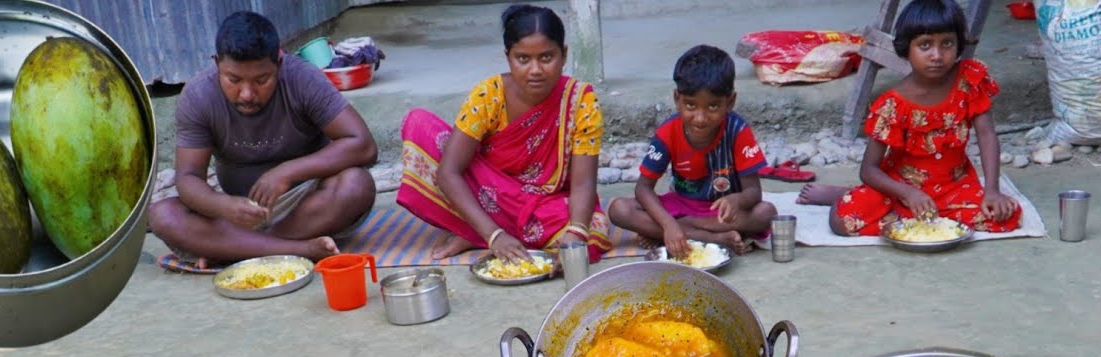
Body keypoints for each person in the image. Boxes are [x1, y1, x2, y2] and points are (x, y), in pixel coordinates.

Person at [148, 11, 377, 267]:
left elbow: (363, 145)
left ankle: (235, 249)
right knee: (163, 214)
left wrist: (286, 172)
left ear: (279, 63)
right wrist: (224, 206)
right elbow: (188, 178)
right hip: (236, 212)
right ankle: (299, 250)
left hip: (305, 205)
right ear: (217, 63)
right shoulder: (198, 95)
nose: (246, 93)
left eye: (261, 80)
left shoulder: (302, 78)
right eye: (233, 79)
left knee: (357, 184)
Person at [396, 4, 610, 263]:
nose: (535, 70)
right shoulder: (488, 96)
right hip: (488, 194)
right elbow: (448, 172)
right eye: (523, 59)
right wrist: (494, 235)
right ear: (508, 57)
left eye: (546, 57)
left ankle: (473, 232)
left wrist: (576, 231)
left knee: (592, 228)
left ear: (563, 55)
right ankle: (486, 231)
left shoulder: (580, 101)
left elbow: (583, 183)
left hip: (544, 203)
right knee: (420, 125)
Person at [796, 0, 1021, 236]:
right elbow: (869, 170)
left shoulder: (970, 78)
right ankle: (846, 194)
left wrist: (993, 191)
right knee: (842, 222)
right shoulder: (892, 105)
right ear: (906, 48)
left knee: (1004, 217)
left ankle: (879, 200)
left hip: (954, 185)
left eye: (947, 43)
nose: (936, 55)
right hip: (900, 189)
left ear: (959, 45)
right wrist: (908, 193)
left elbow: (987, 136)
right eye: (925, 45)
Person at [608, 45, 776, 258]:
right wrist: (668, 222)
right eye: (690, 105)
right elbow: (643, 189)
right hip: (681, 206)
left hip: (720, 213)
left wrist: (737, 201)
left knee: (766, 213)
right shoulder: (668, 131)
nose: (700, 117)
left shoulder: (737, 130)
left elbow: (754, 193)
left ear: (730, 102)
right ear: (677, 99)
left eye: (713, 107)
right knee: (620, 210)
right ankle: (710, 238)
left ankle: (684, 230)